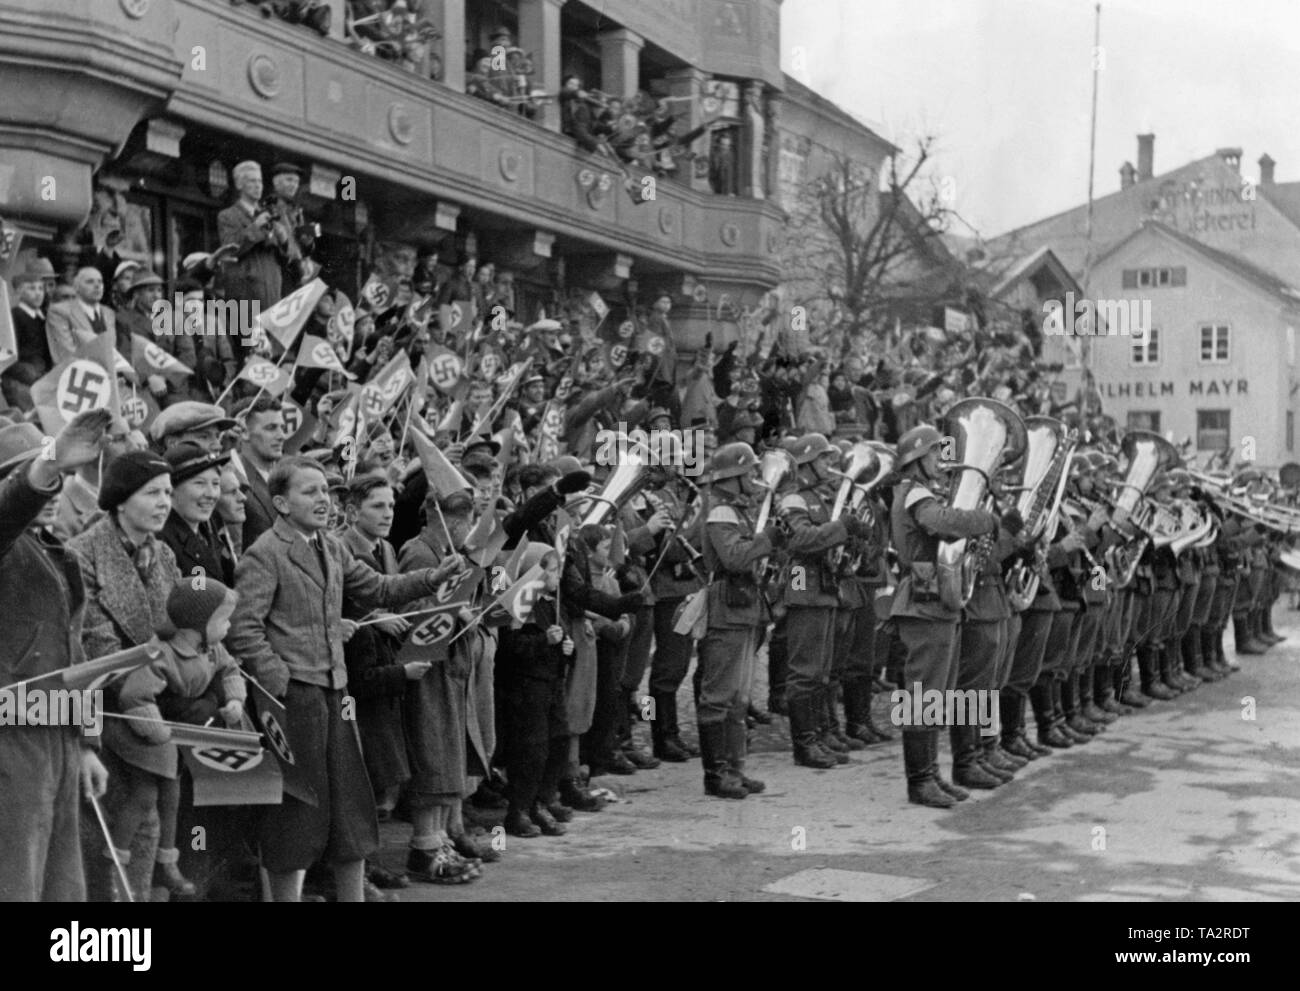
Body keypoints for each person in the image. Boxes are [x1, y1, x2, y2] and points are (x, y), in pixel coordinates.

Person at [227, 455, 463, 902]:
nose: (323, 500)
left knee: (351, 809)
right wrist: (281, 681)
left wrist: (435, 577)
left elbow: (379, 589)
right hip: (295, 700)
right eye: (310, 491)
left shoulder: (330, 547)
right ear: (279, 502)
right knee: (295, 814)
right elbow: (243, 629)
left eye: (326, 492)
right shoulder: (264, 554)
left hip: (336, 693)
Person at [0, 410, 113, 902]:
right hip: (10, 738)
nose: (55, 491)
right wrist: (46, 463)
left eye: (63, 479)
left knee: (62, 887)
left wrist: (86, 743)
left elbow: (76, 655)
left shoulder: (54, 552)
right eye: (48, 479)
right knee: (16, 882)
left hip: (58, 740)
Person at [68, 448, 182, 899]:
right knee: (111, 826)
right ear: (119, 500)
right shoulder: (82, 553)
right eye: (152, 492)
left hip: (153, 703)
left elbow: (181, 627)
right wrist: (151, 678)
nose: (164, 502)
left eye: (169, 492)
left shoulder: (164, 554)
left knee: (147, 822)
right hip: (106, 708)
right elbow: (94, 642)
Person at [99, 581, 246, 901]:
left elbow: (231, 669)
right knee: (144, 795)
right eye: (223, 621)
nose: (228, 626)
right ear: (199, 626)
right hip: (142, 734)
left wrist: (234, 699)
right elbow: (135, 695)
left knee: (172, 794)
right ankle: (114, 862)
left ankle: (167, 861)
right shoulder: (161, 653)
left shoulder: (211, 648)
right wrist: (155, 728)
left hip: (173, 730)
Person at [887, 424, 997, 808]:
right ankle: (919, 781)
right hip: (922, 601)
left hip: (936, 601)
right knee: (922, 696)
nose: (941, 459)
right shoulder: (915, 492)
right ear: (916, 459)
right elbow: (939, 523)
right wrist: (984, 521)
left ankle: (931, 773)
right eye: (935, 453)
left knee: (938, 694)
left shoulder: (923, 491)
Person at [696, 442, 784, 798]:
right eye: (748, 472)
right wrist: (766, 539)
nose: (753, 478)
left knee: (739, 697)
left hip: (745, 606)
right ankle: (716, 775)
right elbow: (733, 559)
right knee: (719, 695)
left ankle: (734, 768)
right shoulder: (720, 512)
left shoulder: (735, 510)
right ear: (732, 477)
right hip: (729, 606)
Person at [777, 433, 864, 769]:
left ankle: (819, 735)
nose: (831, 464)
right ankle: (805, 745)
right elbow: (800, 539)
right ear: (807, 462)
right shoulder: (794, 498)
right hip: (805, 589)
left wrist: (853, 535)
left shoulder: (822, 497)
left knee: (821, 672)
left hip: (825, 588)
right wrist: (841, 527)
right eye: (824, 459)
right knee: (805, 672)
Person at [216, 161, 284, 332]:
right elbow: (230, 248)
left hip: (273, 297)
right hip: (246, 299)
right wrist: (255, 228)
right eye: (252, 181)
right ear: (239, 184)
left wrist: (284, 241)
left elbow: (286, 259)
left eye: (260, 181)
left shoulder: (270, 215)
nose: (258, 186)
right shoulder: (228, 216)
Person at [160, 444, 233, 586]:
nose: (211, 494)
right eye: (200, 483)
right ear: (171, 489)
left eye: (216, 483)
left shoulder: (210, 527)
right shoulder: (162, 541)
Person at [230, 395, 286, 549]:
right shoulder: (233, 480)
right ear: (244, 432)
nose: (281, 436)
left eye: (282, 427)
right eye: (271, 428)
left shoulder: (288, 476)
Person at [45, 266, 116, 366]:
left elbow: (113, 351)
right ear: (76, 288)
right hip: (76, 374)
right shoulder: (59, 311)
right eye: (90, 282)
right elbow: (65, 354)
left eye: (100, 282)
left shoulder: (109, 313)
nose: (97, 285)